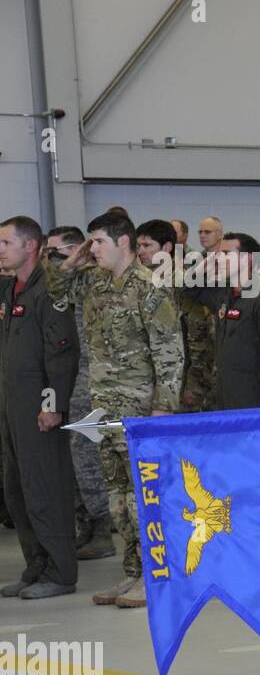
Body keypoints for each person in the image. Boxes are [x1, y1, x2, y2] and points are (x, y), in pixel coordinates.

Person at [48, 212, 184, 608]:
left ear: (123, 243)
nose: (93, 250)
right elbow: (55, 291)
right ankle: (132, 572)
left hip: (141, 409)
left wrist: (164, 409)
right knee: (118, 497)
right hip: (105, 408)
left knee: (147, 495)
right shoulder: (95, 282)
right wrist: (72, 263)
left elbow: (170, 354)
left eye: (99, 243)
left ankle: (158, 575)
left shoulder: (149, 287)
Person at [0, 217, 80, 599]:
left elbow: (61, 352)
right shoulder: (11, 290)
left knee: (46, 488)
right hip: (11, 408)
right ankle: (36, 565)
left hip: (38, 409)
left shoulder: (49, 291)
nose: (1, 249)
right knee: (18, 490)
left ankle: (60, 572)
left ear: (30, 246)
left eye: (6, 242)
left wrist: (53, 405)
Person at [43, 225, 113, 561]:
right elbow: (53, 290)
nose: (52, 261)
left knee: (88, 454)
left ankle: (102, 527)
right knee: (74, 456)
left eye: (57, 253)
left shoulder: (97, 280)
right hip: (69, 377)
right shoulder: (72, 281)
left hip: (94, 378)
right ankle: (87, 524)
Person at [185, 232, 260, 409]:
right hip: (224, 394)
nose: (219, 259)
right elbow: (190, 291)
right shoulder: (224, 292)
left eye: (226, 254)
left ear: (248, 259)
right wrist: (202, 268)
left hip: (254, 398)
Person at [138, 219, 215, 414]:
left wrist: (194, 387)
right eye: (138, 246)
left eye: (147, 245)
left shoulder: (181, 283)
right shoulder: (141, 280)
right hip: (146, 382)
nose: (140, 251)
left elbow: (200, 338)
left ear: (167, 247)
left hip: (178, 385)